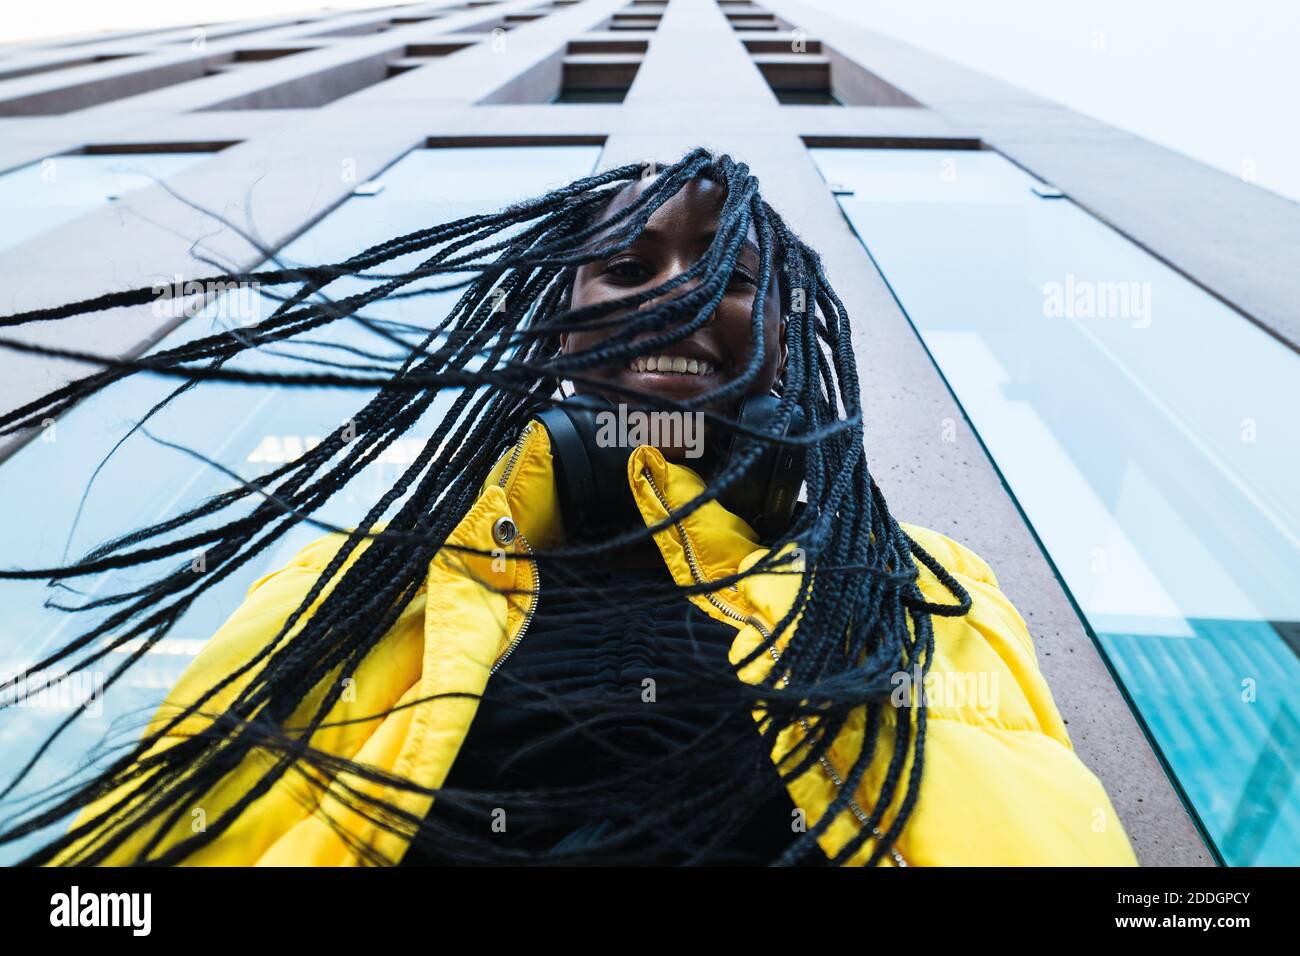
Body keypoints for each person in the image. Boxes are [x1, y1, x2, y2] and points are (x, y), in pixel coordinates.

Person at [0, 148, 1137, 866]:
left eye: (725, 274)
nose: (678, 291)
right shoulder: (347, 584)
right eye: (626, 270)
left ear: (791, 335)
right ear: (557, 328)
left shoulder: (922, 580)